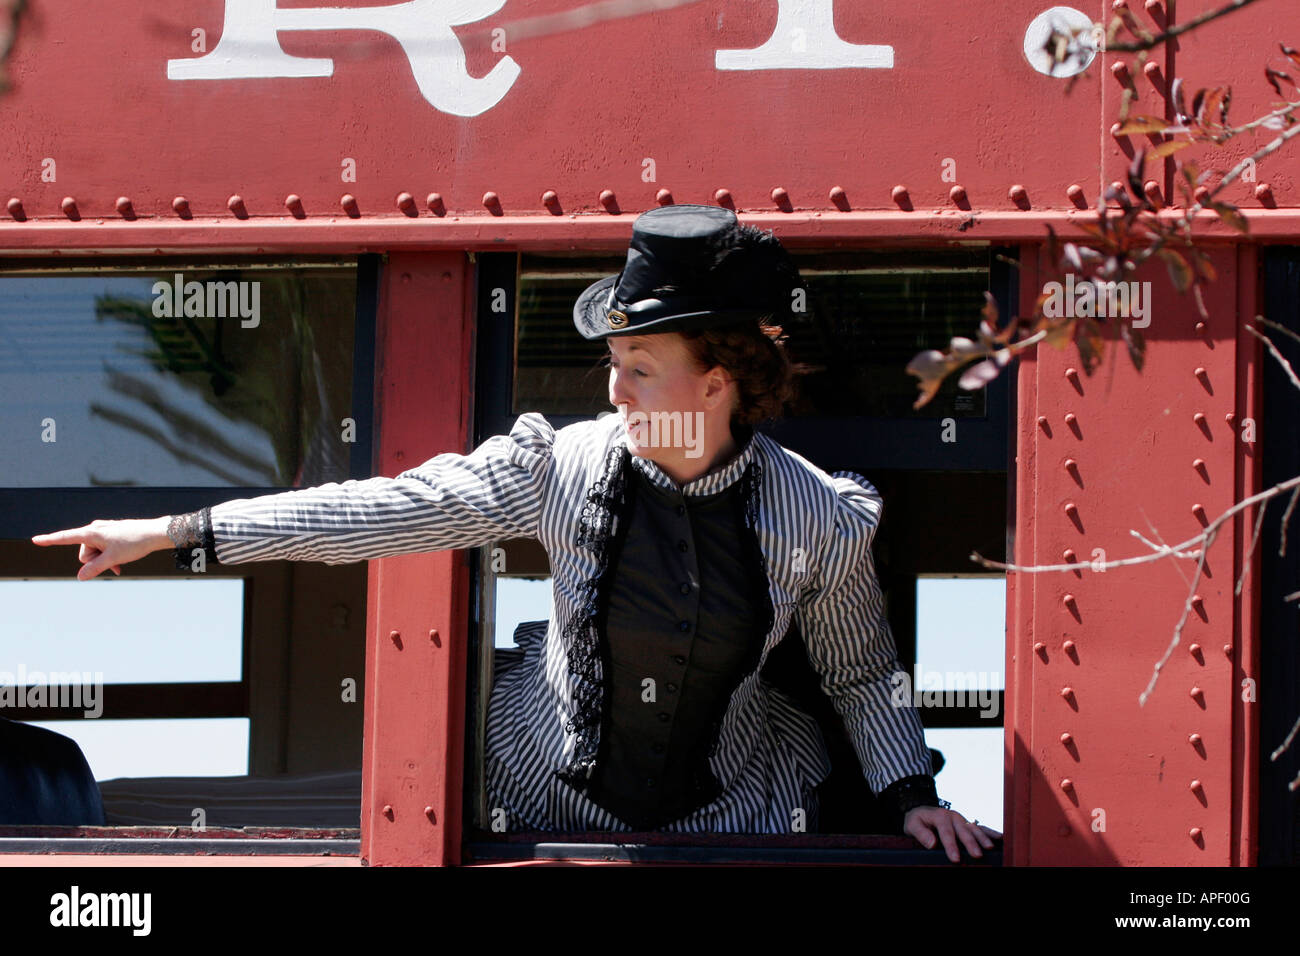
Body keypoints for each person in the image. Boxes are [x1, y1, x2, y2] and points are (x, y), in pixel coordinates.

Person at [32, 204, 1000, 861]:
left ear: (718, 381)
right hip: (534, 806)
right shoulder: (560, 468)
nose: (611, 390)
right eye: (612, 361)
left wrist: (909, 790)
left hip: (733, 818)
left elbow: (862, 672)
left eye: (639, 368)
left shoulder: (816, 516)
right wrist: (176, 532)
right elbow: (378, 511)